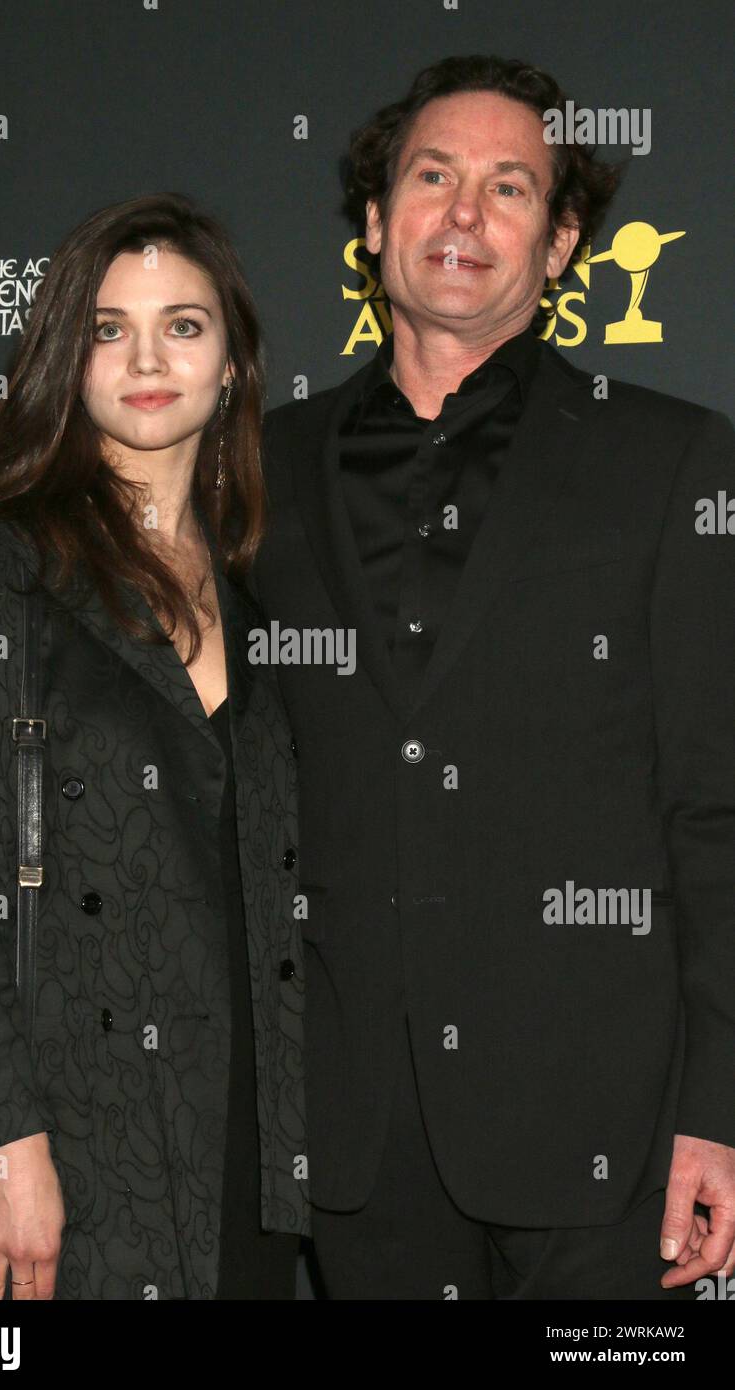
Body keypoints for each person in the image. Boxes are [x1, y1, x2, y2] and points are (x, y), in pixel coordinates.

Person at [251, 55, 735, 1299]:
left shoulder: (669, 460)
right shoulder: (252, 471)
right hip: (355, 1125)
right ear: (373, 221)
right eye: (431, 177)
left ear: (561, 242)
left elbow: (711, 806)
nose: (463, 216)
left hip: (607, 1131)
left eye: (508, 188)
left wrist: (718, 1109)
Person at [0, 193, 308, 1300]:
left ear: (232, 367)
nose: (148, 356)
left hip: (249, 1145)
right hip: (67, 1139)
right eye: (110, 328)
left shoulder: (265, 606)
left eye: (184, 324)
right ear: (66, 360)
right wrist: (12, 1152)